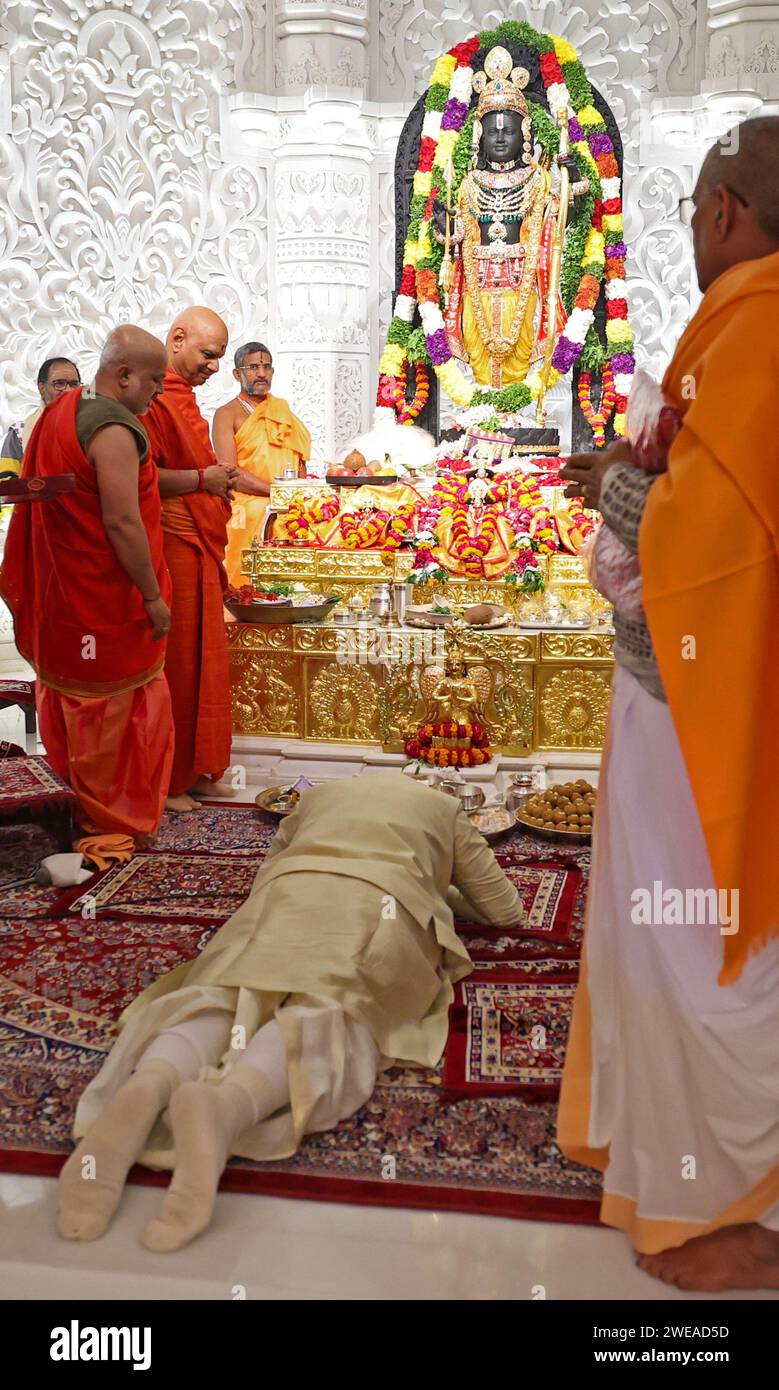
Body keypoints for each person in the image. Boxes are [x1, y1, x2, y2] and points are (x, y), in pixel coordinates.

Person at [557, 117, 779, 1292]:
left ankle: (718, 1213)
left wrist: (622, 485)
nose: (692, 228)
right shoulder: (740, 329)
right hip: (702, 685)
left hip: (708, 698)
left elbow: (717, 535)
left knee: (697, 934)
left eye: (695, 209)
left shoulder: (756, 331)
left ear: (724, 212)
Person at [57, 773, 522, 1251]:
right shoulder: (446, 811)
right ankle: (229, 1104)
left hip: (287, 893)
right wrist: (434, 889)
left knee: (230, 990)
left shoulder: (319, 793)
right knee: (328, 1006)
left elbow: (267, 870)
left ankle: (150, 1080)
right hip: (380, 903)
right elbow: (505, 911)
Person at [0, 329, 173, 864]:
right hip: (106, 598)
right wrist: (151, 596)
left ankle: (82, 808)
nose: (158, 391)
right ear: (123, 375)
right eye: (153, 379)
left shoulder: (64, 409)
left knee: (73, 704)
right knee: (119, 712)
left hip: (63, 594)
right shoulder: (114, 429)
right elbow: (122, 521)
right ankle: (112, 822)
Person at [142, 307, 238, 813]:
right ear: (177, 339)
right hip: (173, 542)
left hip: (198, 543)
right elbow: (144, 478)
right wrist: (205, 481)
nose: (213, 368)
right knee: (176, 664)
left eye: (219, 358)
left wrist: (211, 478)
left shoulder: (180, 398)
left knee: (203, 660)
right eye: (208, 355)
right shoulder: (152, 399)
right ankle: (168, 779)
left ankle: (197, 767)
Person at [212, 342, 311, 586]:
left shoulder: (281, 410)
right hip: (247, 501)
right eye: (253, 367)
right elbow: (229, 471)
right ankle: (241, 597)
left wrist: (294, 495)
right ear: (237, 374)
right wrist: (276, 492)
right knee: (258, 512)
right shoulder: (227, 414)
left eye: (267, 367)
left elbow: (299, 460)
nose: (262, 373)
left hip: (287, 500)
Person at [0, 357, 82, 476]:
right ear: (41, 388)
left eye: (74, 384)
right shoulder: (20, 432)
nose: (68, 390)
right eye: (59, 383)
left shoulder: (91, 428)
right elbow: (5, 481)